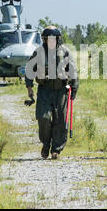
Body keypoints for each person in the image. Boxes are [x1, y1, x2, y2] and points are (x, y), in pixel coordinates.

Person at [25, 26, 79, 160]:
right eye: (48, 39)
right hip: (44, 90)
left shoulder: (65, 52)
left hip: (61, 90)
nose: (51, 42)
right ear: (44, 40)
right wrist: (29, 87)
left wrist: (74, 86)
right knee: (44, 118)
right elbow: (29, 69)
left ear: (57, 39)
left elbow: (73, 70)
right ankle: (46, 144)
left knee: (60, 119)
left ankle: (56, 149)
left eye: (53, 39)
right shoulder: (38, 52)